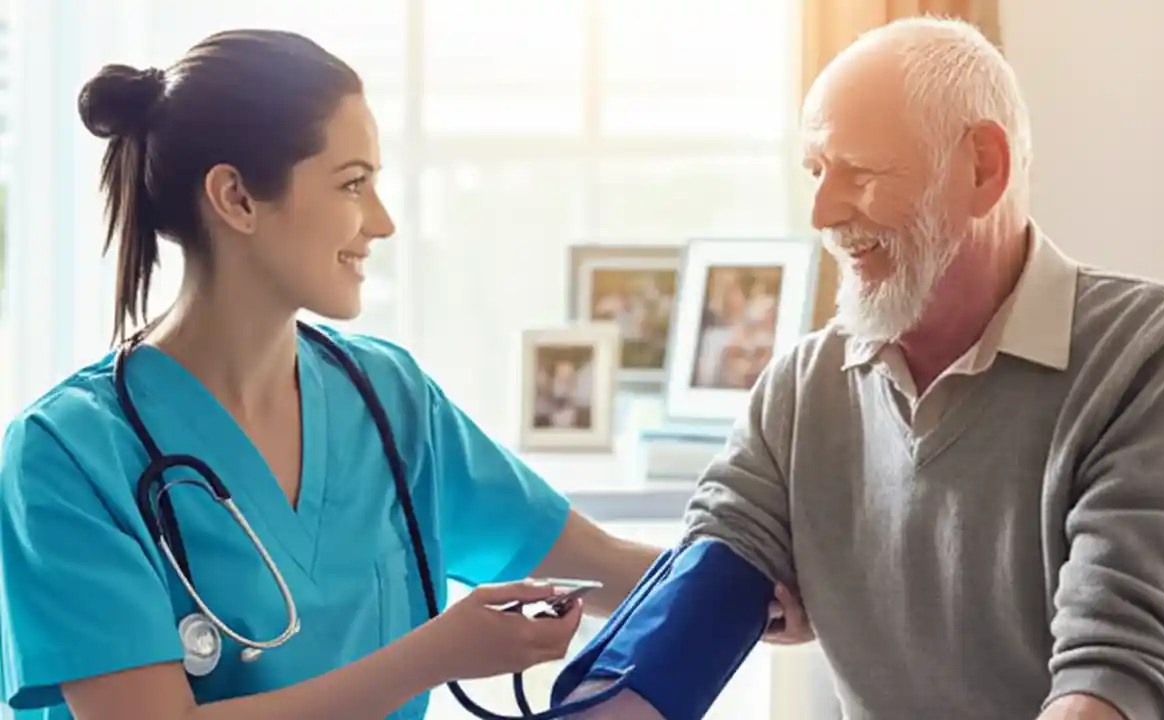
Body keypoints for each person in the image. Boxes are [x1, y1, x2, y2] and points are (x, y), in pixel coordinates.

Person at [0, 30, 809, 720]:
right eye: (353, 183)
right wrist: (434, 656)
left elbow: (588, 559)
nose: (382, 223)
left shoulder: (385, 399)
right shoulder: (65, 456)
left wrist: (761, 592)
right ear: (237, 197)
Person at [550, 16, 1164, 720]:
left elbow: (1111, 675)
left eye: (861, 173)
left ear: (982, 168)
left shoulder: (1158, 351)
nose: (823, 212)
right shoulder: (804, 387)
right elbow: (698, 600)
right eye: (815, 170)